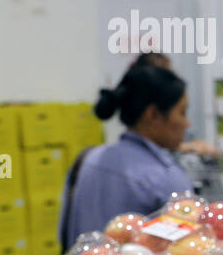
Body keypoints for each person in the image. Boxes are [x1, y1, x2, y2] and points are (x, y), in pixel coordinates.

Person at [59, 64, 195, 245]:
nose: (187, 123)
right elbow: (189, 250)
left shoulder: (87, 160)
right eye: (182, 112)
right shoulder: (165, 178)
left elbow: (65, 233)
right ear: (153, 115)